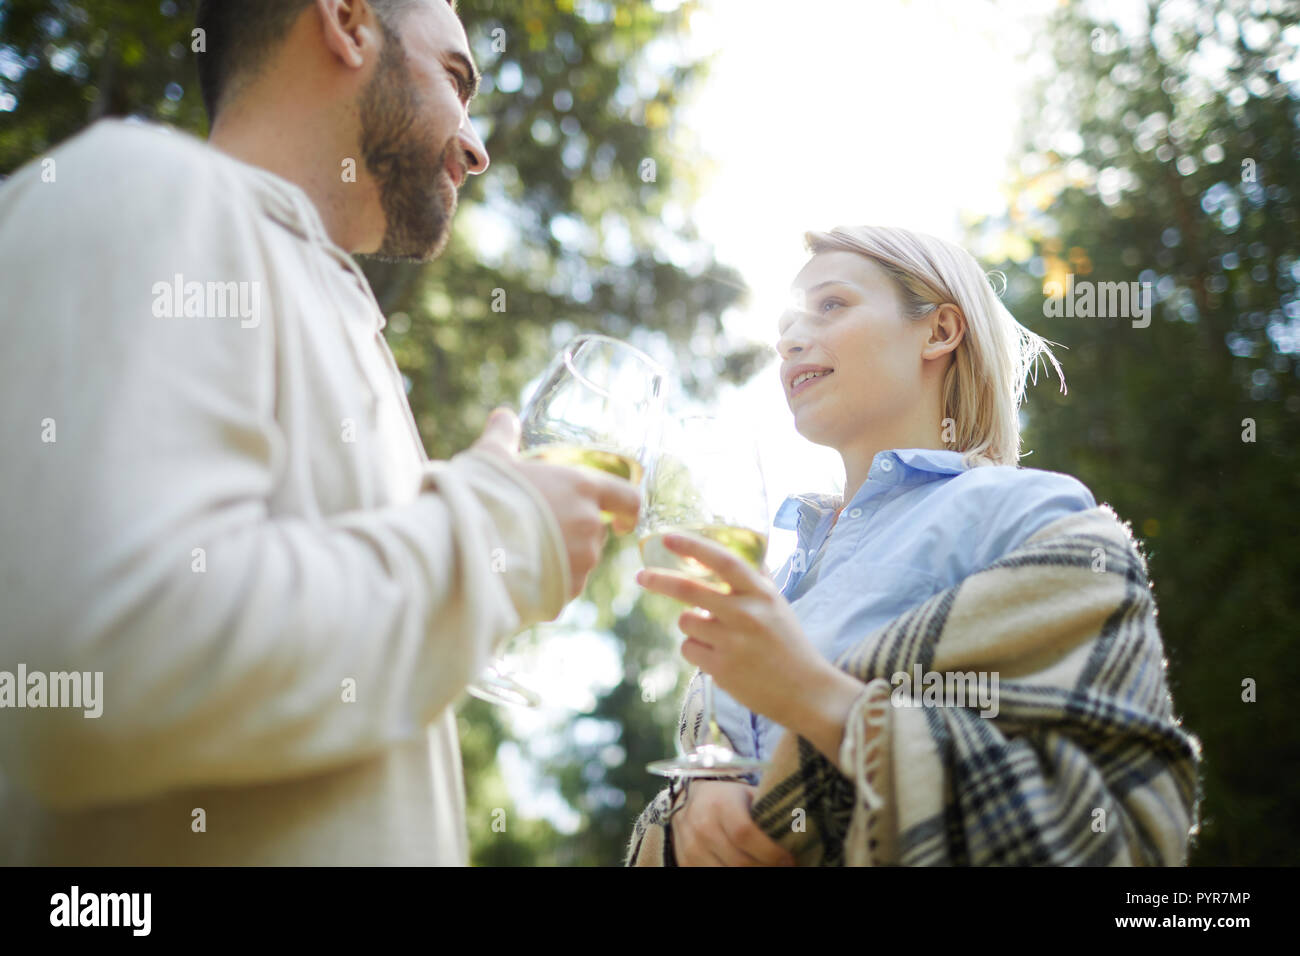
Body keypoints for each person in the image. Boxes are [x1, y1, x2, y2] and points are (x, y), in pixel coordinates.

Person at [0, 0, 640, 865]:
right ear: (346, 22)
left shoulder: (346, 327)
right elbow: (86, 684)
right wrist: (499, 535)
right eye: (456, 78)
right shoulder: (141, 186)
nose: (476, 145)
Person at [628, 225, 1202, 866]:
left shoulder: (1027, 513)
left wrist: (815, 698)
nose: (788, 339)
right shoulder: (781, 571)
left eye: (831, 305)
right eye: (787, 321)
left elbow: (1119, 838)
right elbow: (728, 765)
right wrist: (699, 792)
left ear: (939, 331)